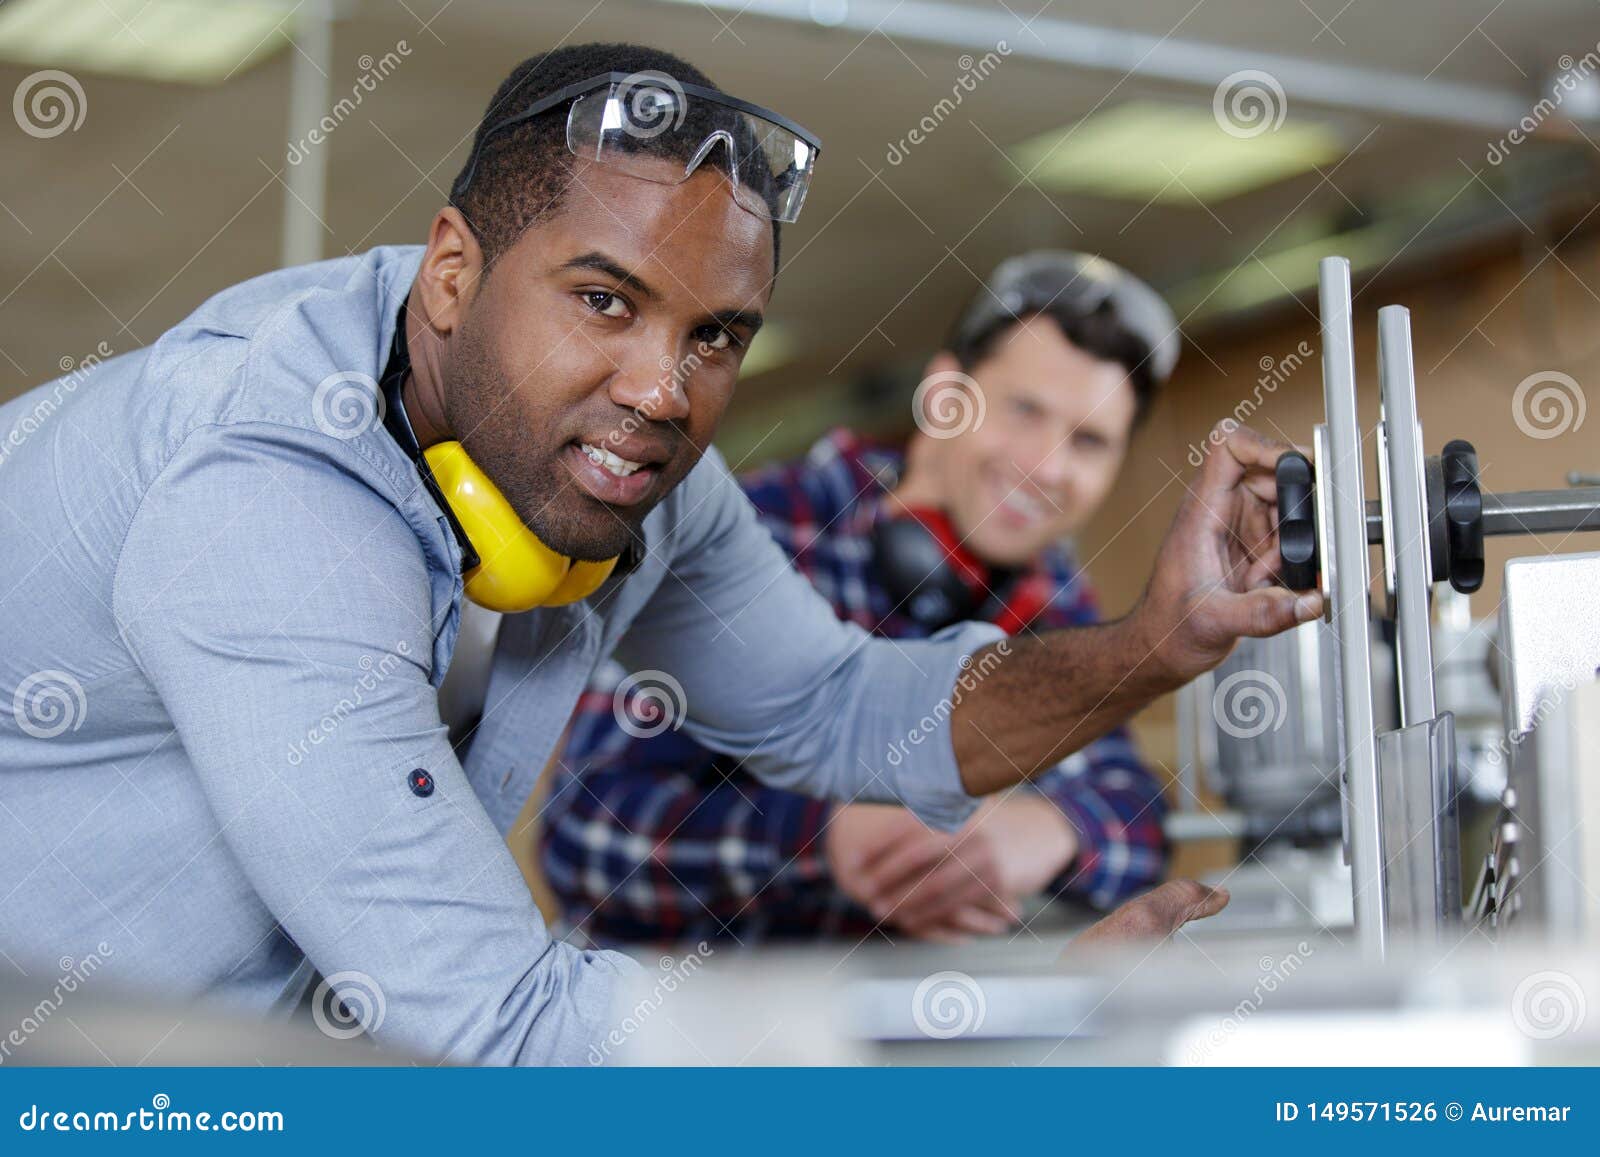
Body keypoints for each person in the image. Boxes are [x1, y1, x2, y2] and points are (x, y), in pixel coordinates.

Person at [0, 42, 1320, 1066]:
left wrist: (1161, 641)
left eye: (717, 336)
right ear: (452, 276)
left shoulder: (625, 481)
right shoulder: (268, 500)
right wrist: (996, 1043)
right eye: (604, 301)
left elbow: (840, 706)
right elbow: (508, 1024)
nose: (663, 389)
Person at [544, 252, 1175, 946]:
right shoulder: (753, 529)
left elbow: (1139, 814)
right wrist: (818, 839)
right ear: (945, 394)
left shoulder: (1051, 596)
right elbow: (584, 838)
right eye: (1025, 410)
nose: (1048, 465)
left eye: (1087, 441)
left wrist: (1057, 829)